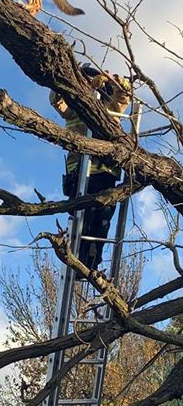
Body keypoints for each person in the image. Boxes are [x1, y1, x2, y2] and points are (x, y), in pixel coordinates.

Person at [50, 64, 131, 273]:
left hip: (103, 171)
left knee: (101, 219)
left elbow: (125, 93)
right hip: (78, 172)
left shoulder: (111, 109)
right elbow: (55, 99)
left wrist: (111, 79)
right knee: (80, 219)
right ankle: (77, 258)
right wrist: (69, 78)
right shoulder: (72, 109)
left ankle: (93, 259)